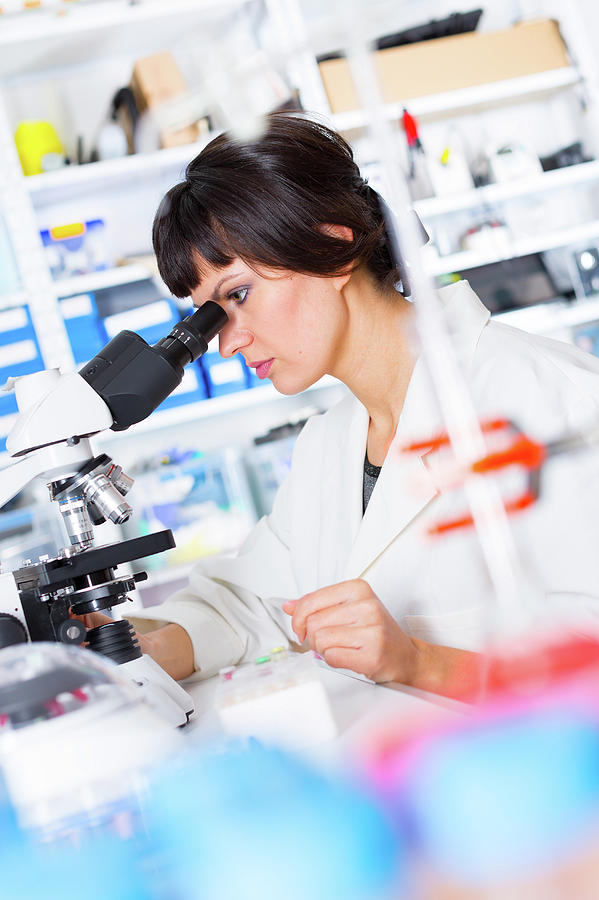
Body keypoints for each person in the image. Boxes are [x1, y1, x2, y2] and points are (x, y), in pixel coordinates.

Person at [82, 113, 599, 700]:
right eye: (210, 316)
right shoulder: (328, 445)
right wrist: (127, 648)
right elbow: (252, 603)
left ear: (334, 247)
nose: (225, 342)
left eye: (239, 295)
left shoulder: (552, 399)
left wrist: (419, 662)